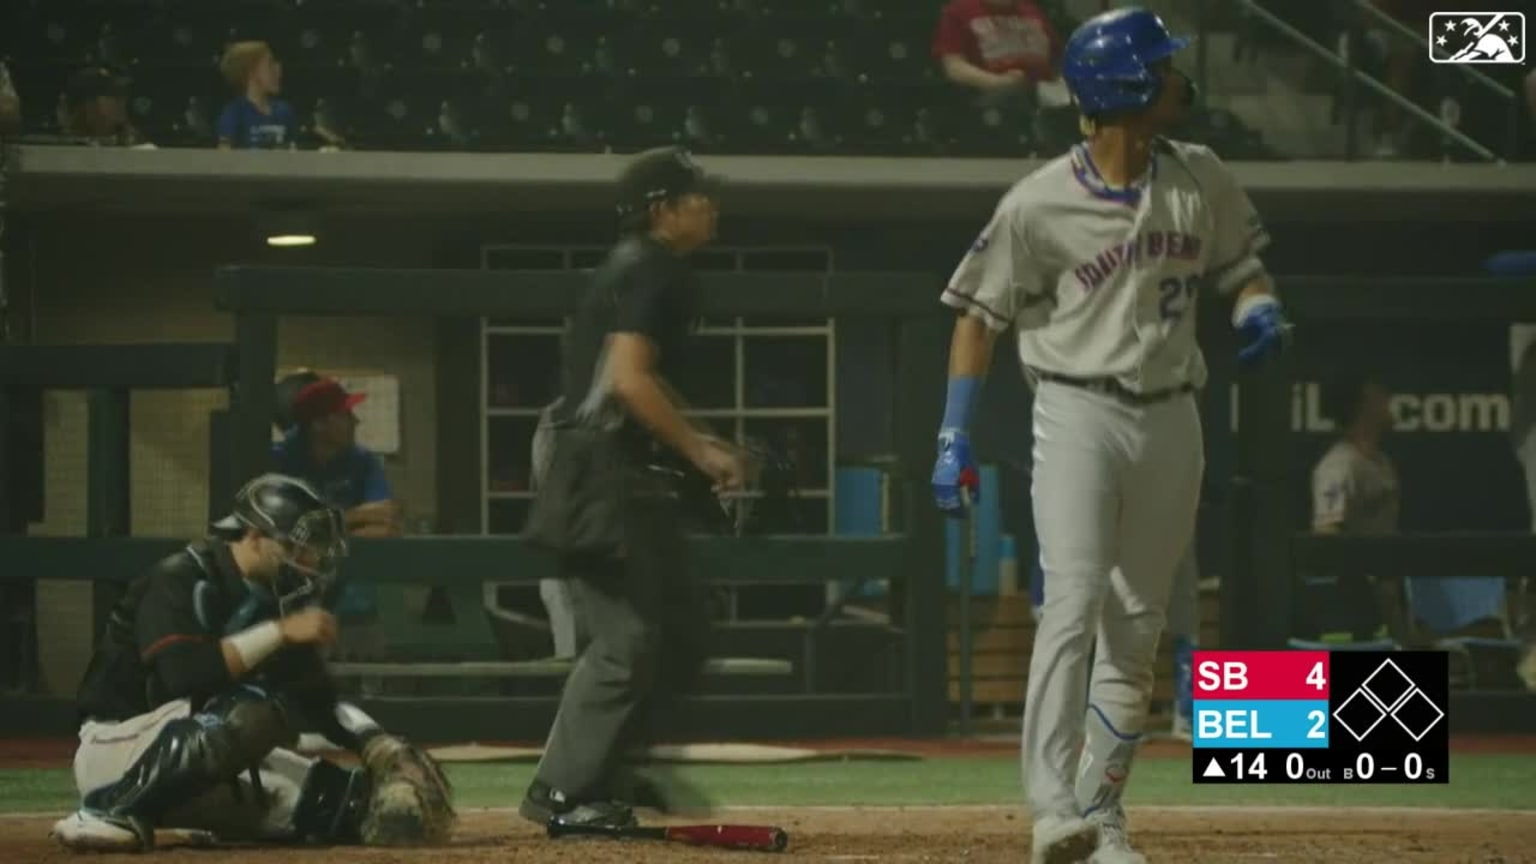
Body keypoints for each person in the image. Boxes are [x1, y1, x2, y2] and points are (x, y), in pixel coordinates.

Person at [929, 9, 1289, 863]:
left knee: (1138, 624)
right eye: (1162, 67)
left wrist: (1258, 305)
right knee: (1073, 603)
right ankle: (1052, 807)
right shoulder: (1040, 200)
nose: (1178, 78)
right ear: (1126, 86)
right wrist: (951, 434)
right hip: (1076, 409)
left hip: (1172, 413)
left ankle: (1101, 815)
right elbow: (977, 317)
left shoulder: (1200, 174)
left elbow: (1243, 268)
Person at [519, 146, 745, 831]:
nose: (710, 206)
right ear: (661, 210)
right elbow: (627, 378)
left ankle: (608, 768)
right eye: (696, 197)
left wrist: (699, 443)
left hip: (613, 466)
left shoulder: (643, 265)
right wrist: (700, 449)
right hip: (597, 468)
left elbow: (634, 382)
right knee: (627, 640)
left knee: (679, 632)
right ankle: (562, 791)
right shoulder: (652, 267)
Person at [50, 474, 451, 852]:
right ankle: (110, 812)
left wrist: (376, 742)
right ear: (256, 537)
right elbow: (182, 676)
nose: (309, 560)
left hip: (203, 759)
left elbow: (314, 696)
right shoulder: (180, 577)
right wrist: (279, 632)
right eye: (295, 548)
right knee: (256, 709)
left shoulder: (272, 600)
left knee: (349, 805)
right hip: (116, 748)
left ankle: (190, 815)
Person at [272, 374, 400, 662]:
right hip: (292, 608)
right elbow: (282, 534)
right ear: (318, 425)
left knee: (369, 676)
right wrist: (357, 516)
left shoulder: (363, 461)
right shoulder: (279, 460)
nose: (356, 422)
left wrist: (318, 533)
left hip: (356, 606)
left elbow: (387, 525)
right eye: (345, 415)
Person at [1309, 375, 1413, 644]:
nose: (1388, 401)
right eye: (1381, 395)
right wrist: (1361, 586)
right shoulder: (1338, 466)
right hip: (1358, 607)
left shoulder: (1383, 462)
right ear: (1365, 405)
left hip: (1389, 595)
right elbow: (1326, 535)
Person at [217, 41, 298, 150]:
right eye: (270, 64)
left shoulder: (284, 111)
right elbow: (224, 153)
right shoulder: (235, 112)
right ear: (251, 71)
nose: (278, 70)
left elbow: (293, 151)